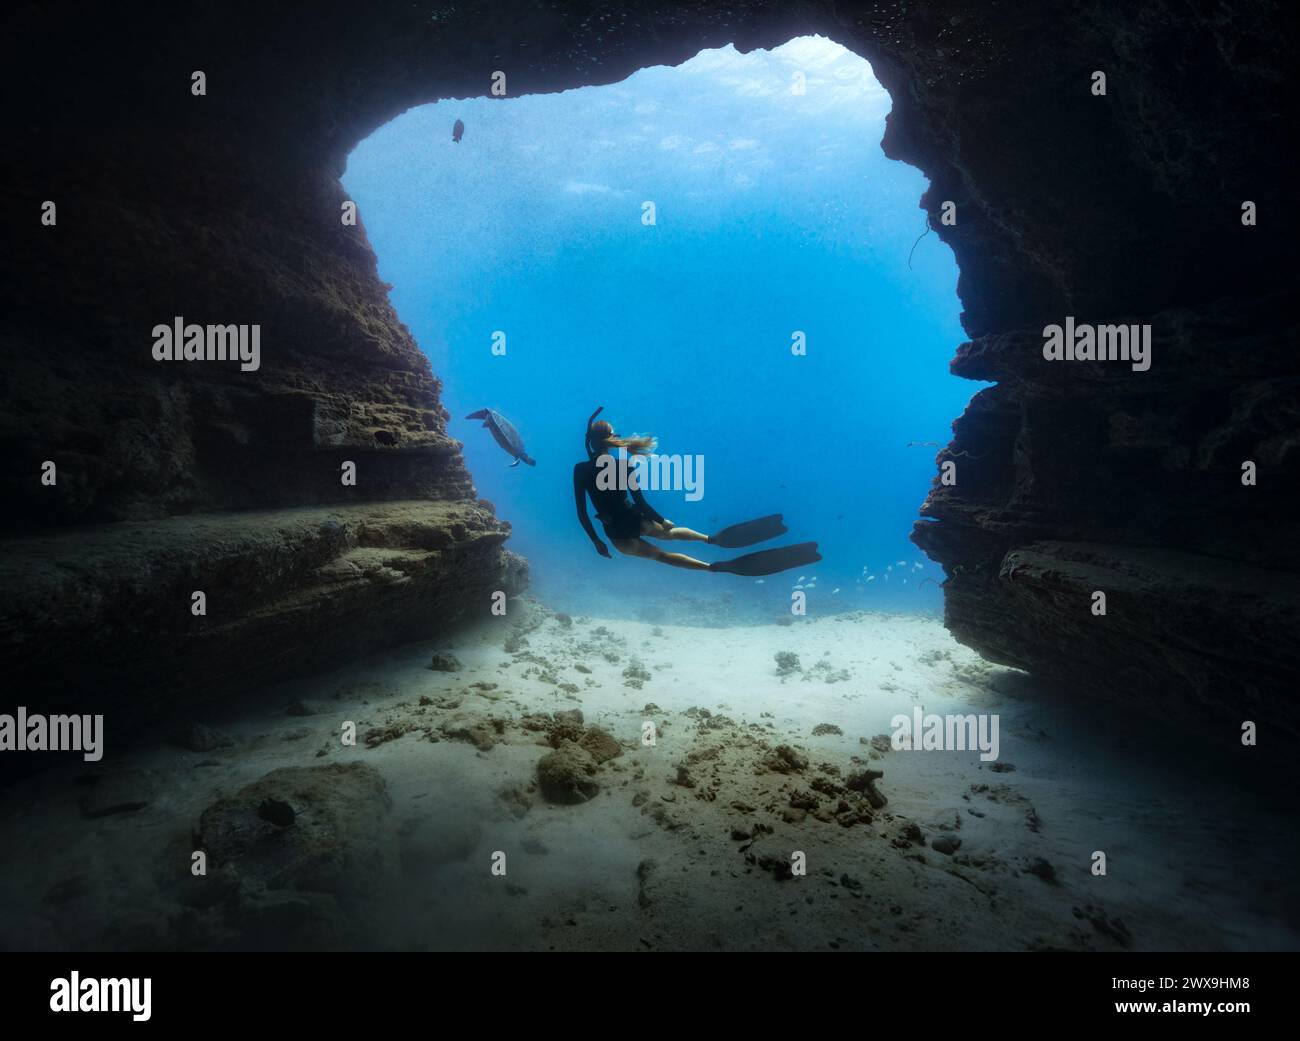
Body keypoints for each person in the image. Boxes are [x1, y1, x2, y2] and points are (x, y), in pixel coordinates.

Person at [573, 408, 820, 576]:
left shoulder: (580, 470)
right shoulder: (623, 465)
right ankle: (710, 540)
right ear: (613, 439)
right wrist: (662, 520)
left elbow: (582, 513)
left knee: (661, 556)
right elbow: (641, 504)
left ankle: (711, 567)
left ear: (591, 442)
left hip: (615, 532)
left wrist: (596, 541)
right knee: (669, 534)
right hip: (635, 520)